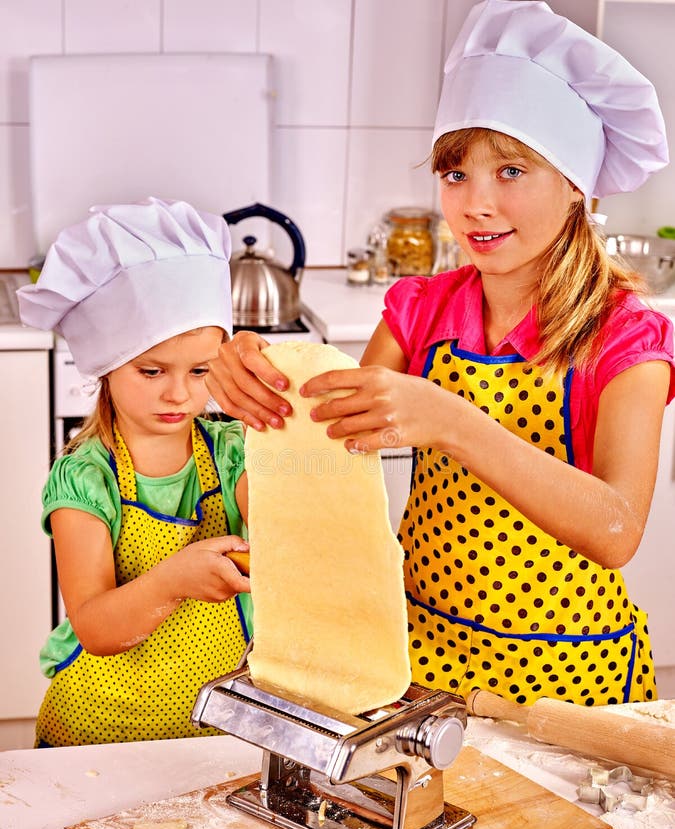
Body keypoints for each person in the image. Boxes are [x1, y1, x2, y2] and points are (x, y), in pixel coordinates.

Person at [204, 0, 675, 707]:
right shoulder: (420, 310)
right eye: (455, 174)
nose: (475, 205)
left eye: (510, 171)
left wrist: (449, 420)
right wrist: (259, 409)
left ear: (576, 183)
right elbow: (317, 465)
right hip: (418, 655)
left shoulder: (623, 335)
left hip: (567, 679)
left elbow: (614, 530)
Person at [18, 197, 251, 746]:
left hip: (209, 735)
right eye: (151, 371)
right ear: (106, 365)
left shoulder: (232, 452)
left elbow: (287, 531)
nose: (179, 393)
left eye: (200, 371)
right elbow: (95, 628)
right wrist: (174, 581)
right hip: (95, 739)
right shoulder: (86, 478)